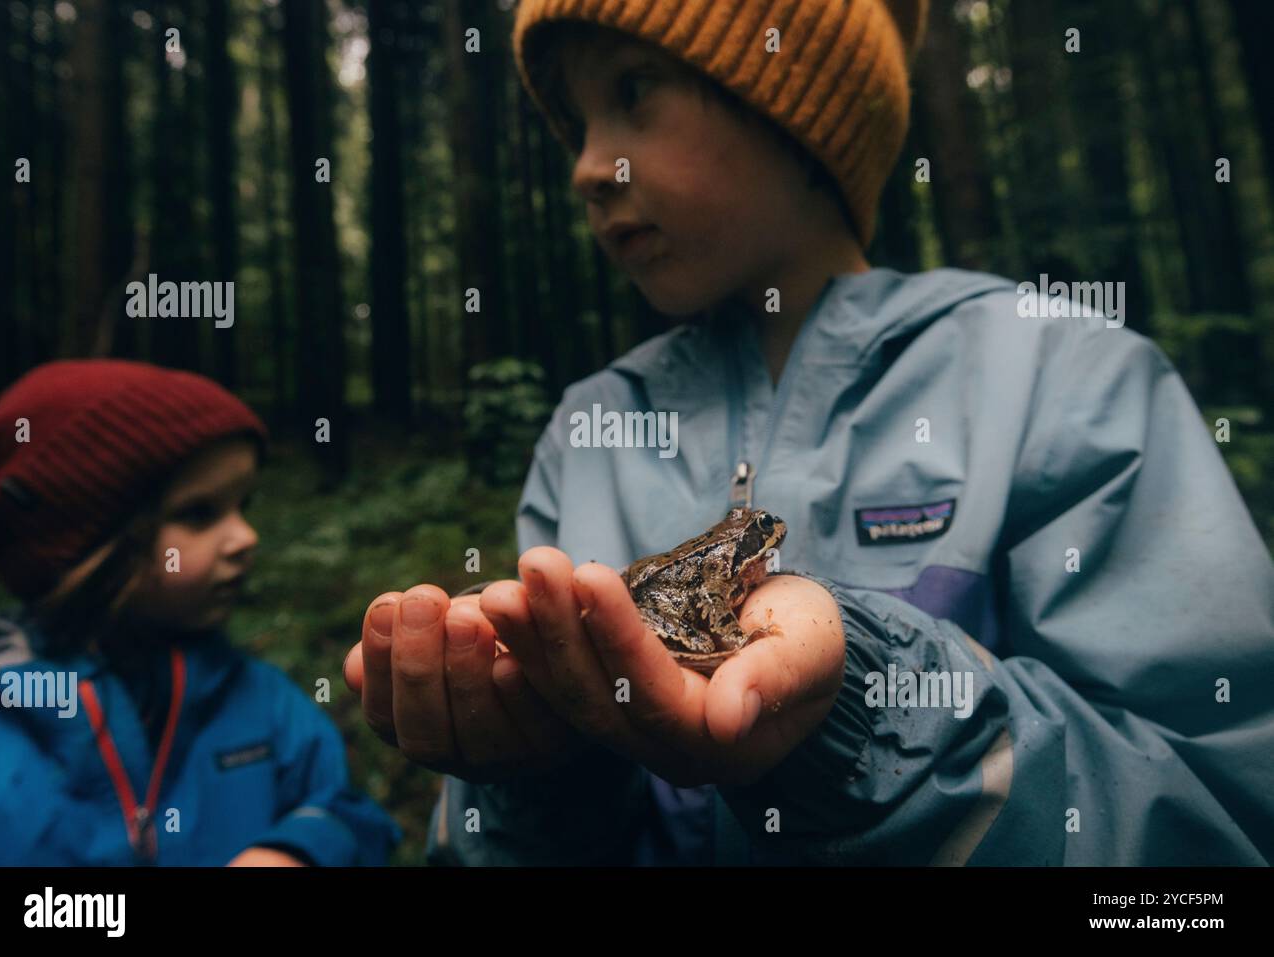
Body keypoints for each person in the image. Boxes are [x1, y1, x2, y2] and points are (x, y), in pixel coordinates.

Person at [345, 0, 1274, 865]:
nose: (589, 167)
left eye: (633, 93)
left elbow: (1226, 820)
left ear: (799, 108)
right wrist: (535, 773)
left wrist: (866, 718)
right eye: (578, 124)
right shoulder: (590, 429)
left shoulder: (1059, 372)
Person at [0, 359, 401, 865]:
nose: (246, 537)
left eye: (245, 504)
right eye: (199, 513)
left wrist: (300, 849)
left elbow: (345, 810)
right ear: (87, 548)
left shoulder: (259, 700)